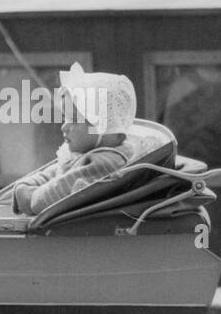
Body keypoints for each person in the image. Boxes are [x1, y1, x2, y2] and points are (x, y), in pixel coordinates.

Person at [9, 64, 139, 216]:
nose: (64, 126)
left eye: (74, 120)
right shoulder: (84, 154)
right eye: (65, 118)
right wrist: (25, 185)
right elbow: (55, 172)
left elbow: (51, 196)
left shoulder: (107, 163)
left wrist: (29, 197)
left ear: (103, 129)